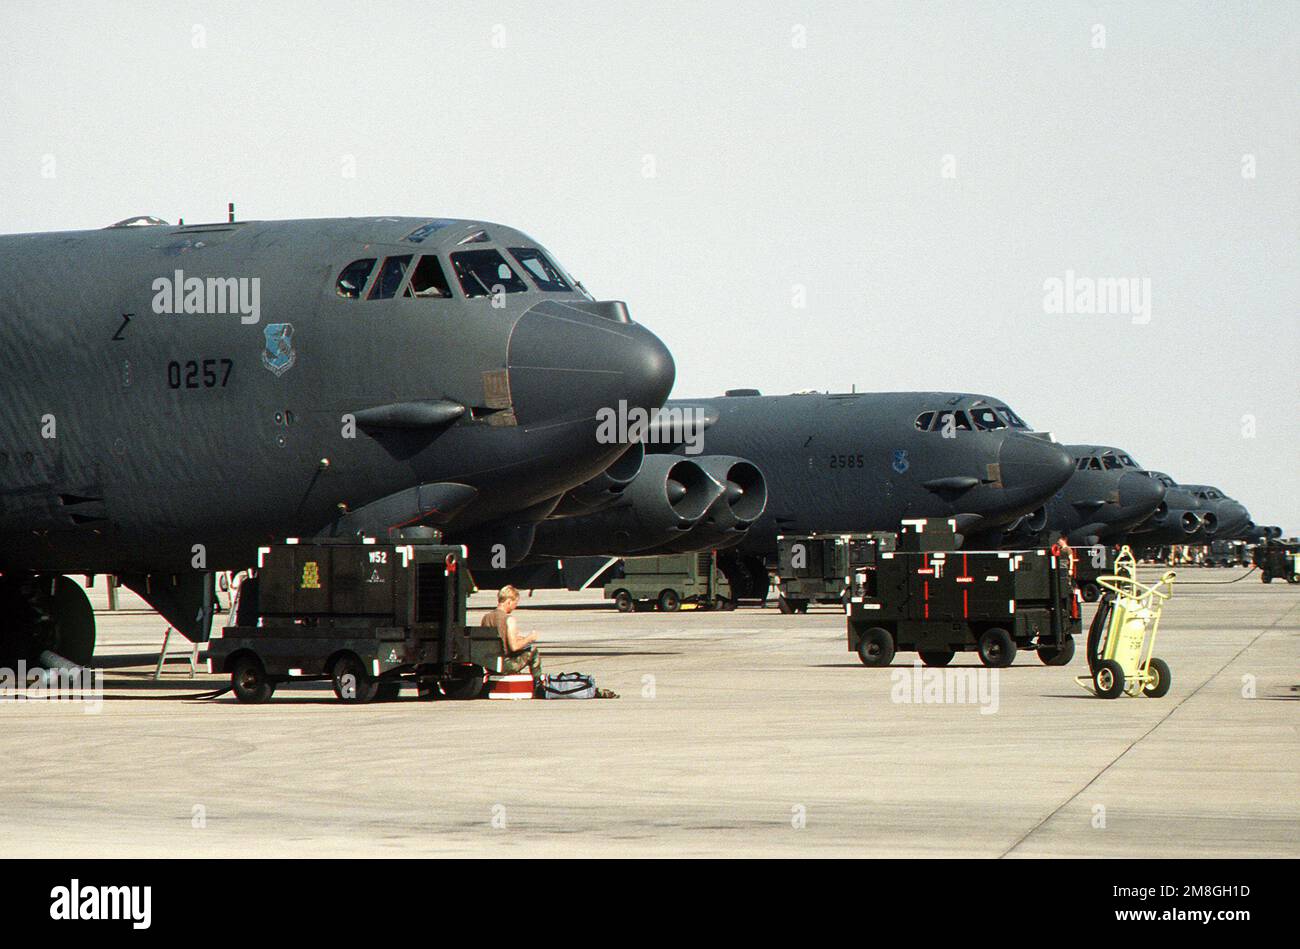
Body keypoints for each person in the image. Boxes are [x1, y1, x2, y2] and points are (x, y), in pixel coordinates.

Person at [480, 585, 542, 679]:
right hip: (505, 665)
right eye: (515, 603)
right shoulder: (508, 619)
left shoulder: (486, 618)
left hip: (490, 665)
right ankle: (538, 684)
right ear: (509, 602)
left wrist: (520, 639)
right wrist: (529, 638)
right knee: (533, 650)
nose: (515, 607)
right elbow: (514, 647)